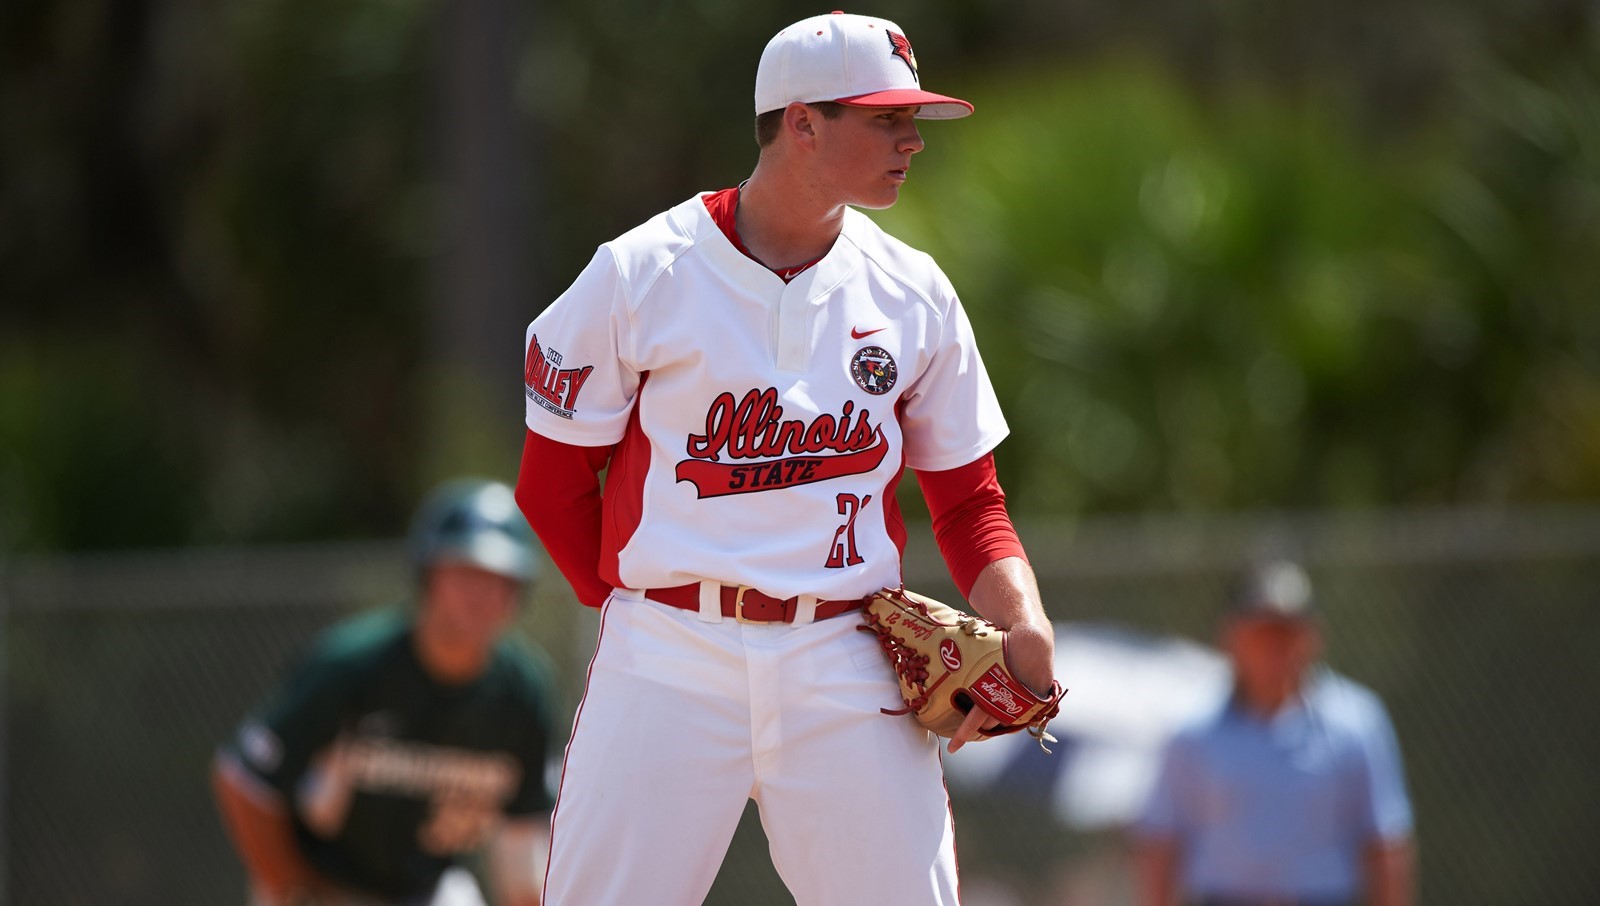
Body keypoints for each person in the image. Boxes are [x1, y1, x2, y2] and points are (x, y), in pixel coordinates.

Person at [513, 11, 1056, 905]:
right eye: (887, 119)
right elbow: (554, 484)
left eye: (911, 120)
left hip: (847, 656)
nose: (913, 140)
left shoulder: (912, 291)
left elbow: (969, 504)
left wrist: (1021, 617)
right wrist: (642, 606)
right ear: (801, 121)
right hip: (669, 655)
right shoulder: (643, 271)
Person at [211, 479, 559, 906]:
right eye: (464, 571)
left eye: (500, 579)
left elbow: (523, 838)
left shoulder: (522, 692)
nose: (481, 594)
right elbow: (244, 781)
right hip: (324, 881)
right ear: (427, 573)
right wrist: (291, 886)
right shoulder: (352, 666)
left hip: (426, 888)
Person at [1131, 560, 1417, 906]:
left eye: (1287, 632)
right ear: (1231, 636)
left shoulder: (1357, 723)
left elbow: (1385, 843)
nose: (1274, 646)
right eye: (1262, 632)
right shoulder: (1191, 729)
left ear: (1314, 637)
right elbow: (1162, 842)